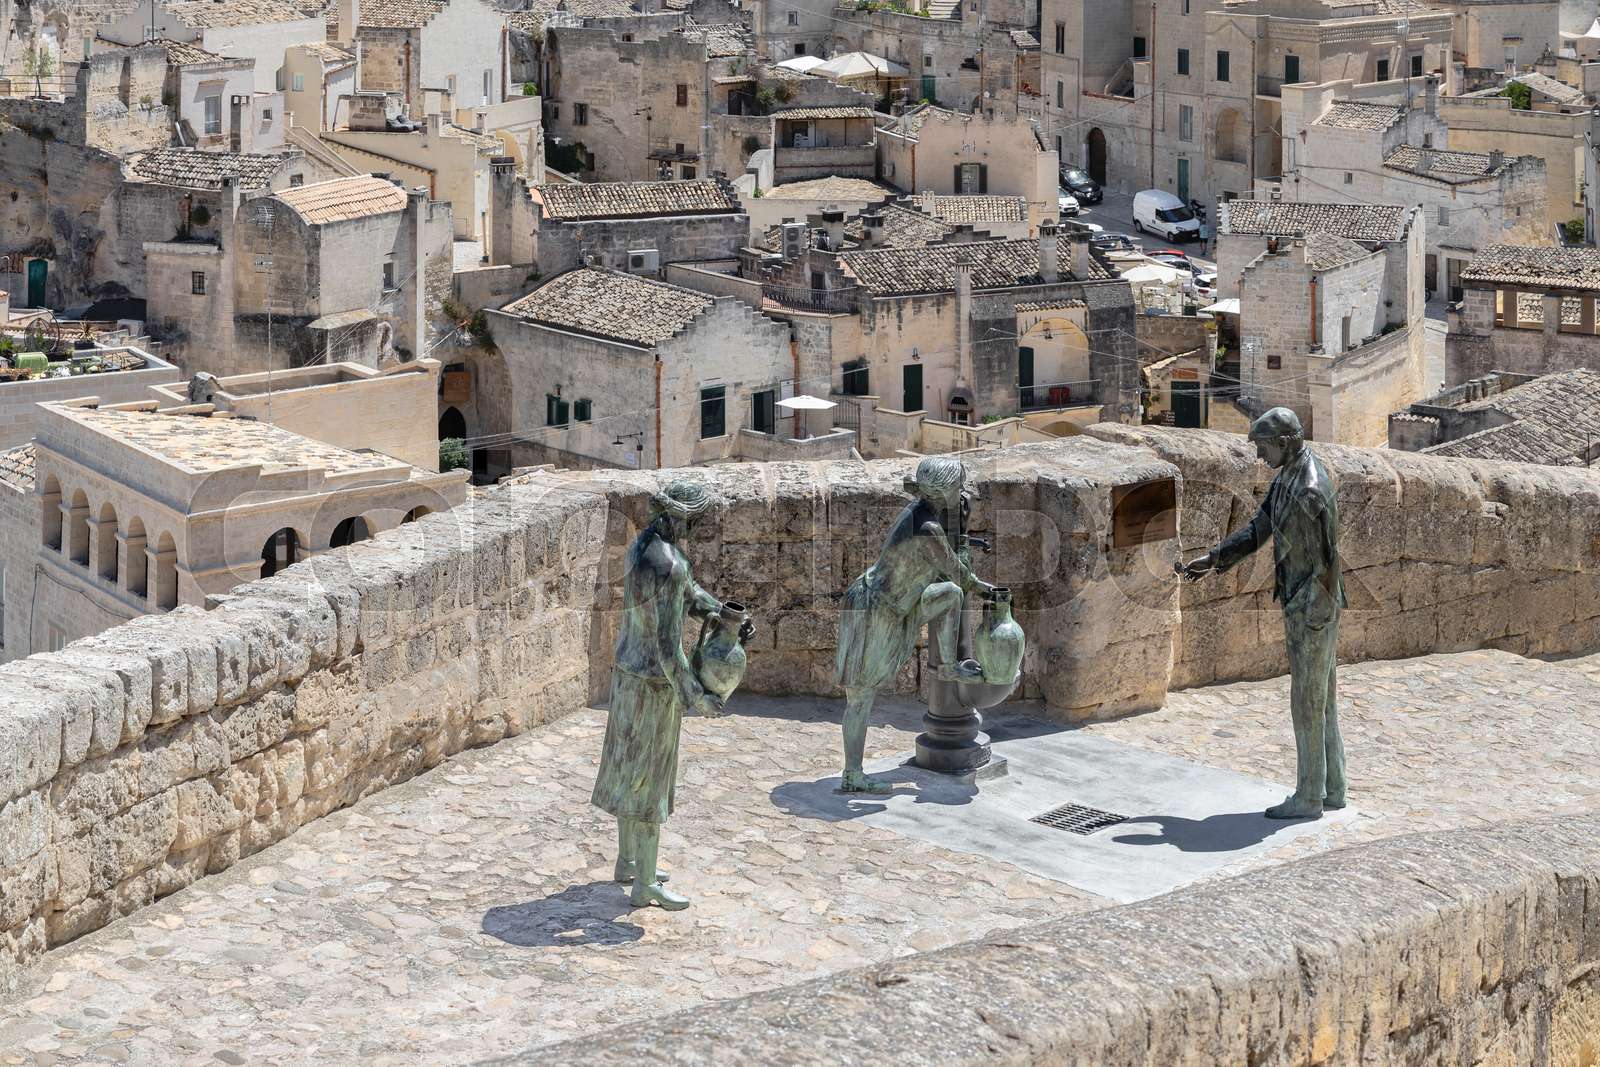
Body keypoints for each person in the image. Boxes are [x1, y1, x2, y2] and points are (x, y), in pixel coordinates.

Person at [1177, 407, 1346, 818]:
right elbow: (1259, 528)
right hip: (1309, 603)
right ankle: (1333, 787)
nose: (1258, 456)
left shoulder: (1307, 488)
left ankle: (1308, 798)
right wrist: (1214, 559)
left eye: (1263, 447)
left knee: (1307, 701)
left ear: (1285, 442)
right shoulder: (1288, 475)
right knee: (1321, 700)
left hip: (1311, 606)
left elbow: (1323, 560)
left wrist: (1312, 613)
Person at [592, 481, 752, 909]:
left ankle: (628, 860)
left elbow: (691, 596)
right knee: (649, 781)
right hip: (654, 684)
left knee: (629, 771)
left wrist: (724, 614)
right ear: (685, 518)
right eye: (698, 519)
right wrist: (694, 696)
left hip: (628, 672)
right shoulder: (670, 563)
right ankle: (645, 883)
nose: (700, 527)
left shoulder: (644, 546)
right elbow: (668, 647)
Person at [834, 457, 994, 793]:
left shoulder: (919, 510)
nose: (961, 493)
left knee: (948, 595)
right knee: (860, 695)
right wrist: (985, 585)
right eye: (957, 487)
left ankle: (949, 667)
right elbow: (959, 573)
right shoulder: (929, 529)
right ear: (945, 491)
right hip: (875, 610)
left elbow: (949, 580)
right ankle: (853, 774)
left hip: (897, 605)